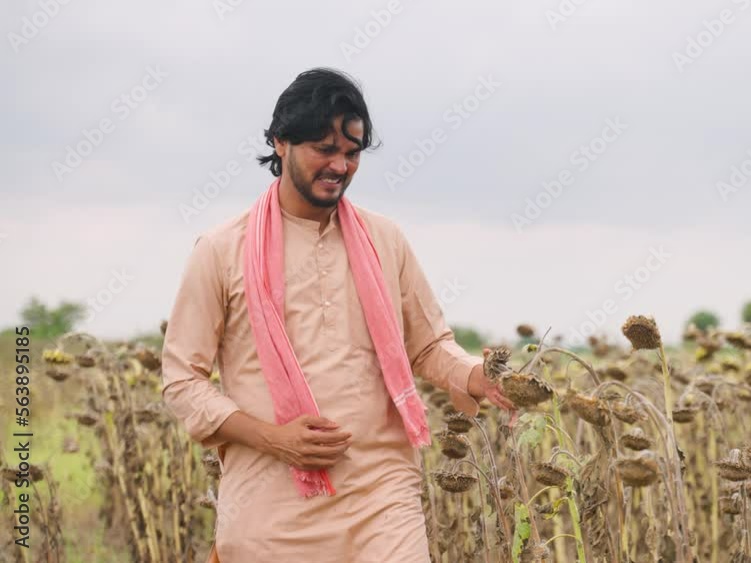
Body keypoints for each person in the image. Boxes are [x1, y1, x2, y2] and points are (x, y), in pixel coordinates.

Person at [160, 67, 514, 562]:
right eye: (323, 150)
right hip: (270, 506)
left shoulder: (384, 239)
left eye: (351, 154)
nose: (340, 166)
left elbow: (430, 344)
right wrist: (275, 439)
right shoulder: (221, 251)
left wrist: (479, 377)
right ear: (281, 143)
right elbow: (182, 381)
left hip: (382, 496)